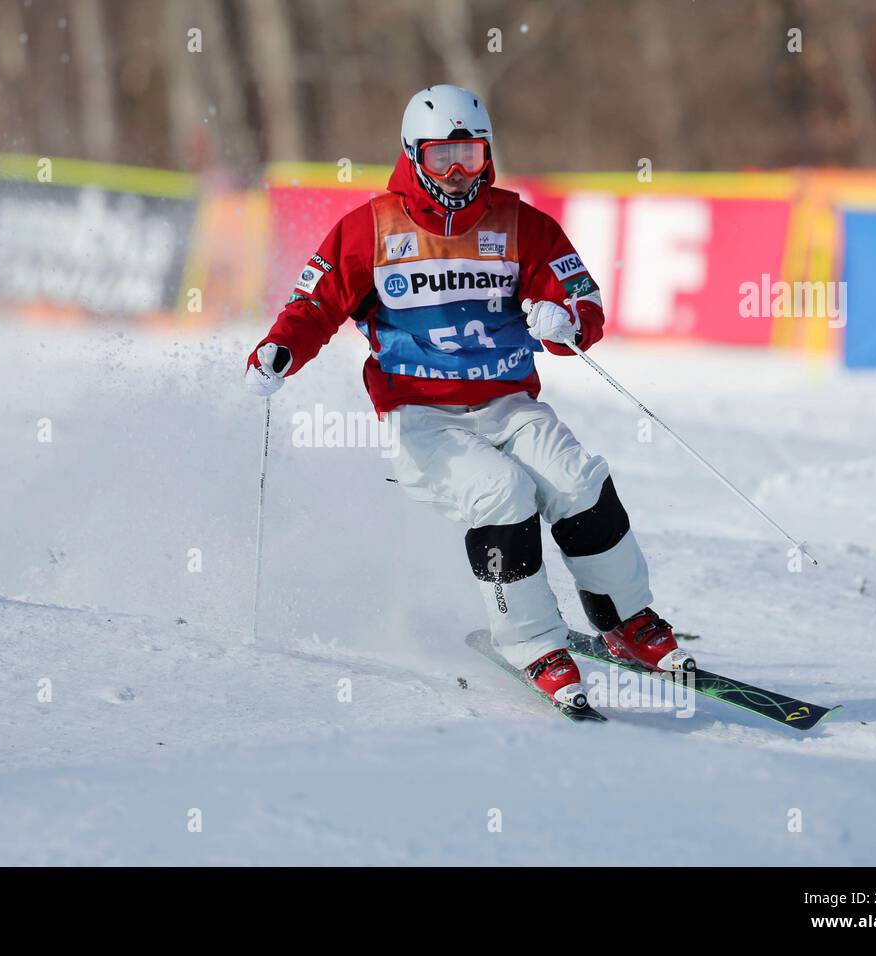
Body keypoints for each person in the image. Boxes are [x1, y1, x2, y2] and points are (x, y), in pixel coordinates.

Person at [244, 84, 689, 711]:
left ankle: (625, 620)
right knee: (502, 492)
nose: (457, 175)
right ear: (411, 156)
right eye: (441, 159)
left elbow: (581, 302)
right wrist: (280, 349)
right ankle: (534, 642)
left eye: (471, 156)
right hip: (422, 417)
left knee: (576, 480)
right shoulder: (369, 229)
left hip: (508, 403)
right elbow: (314, 304)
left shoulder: (521, 224)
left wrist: (567, 324)